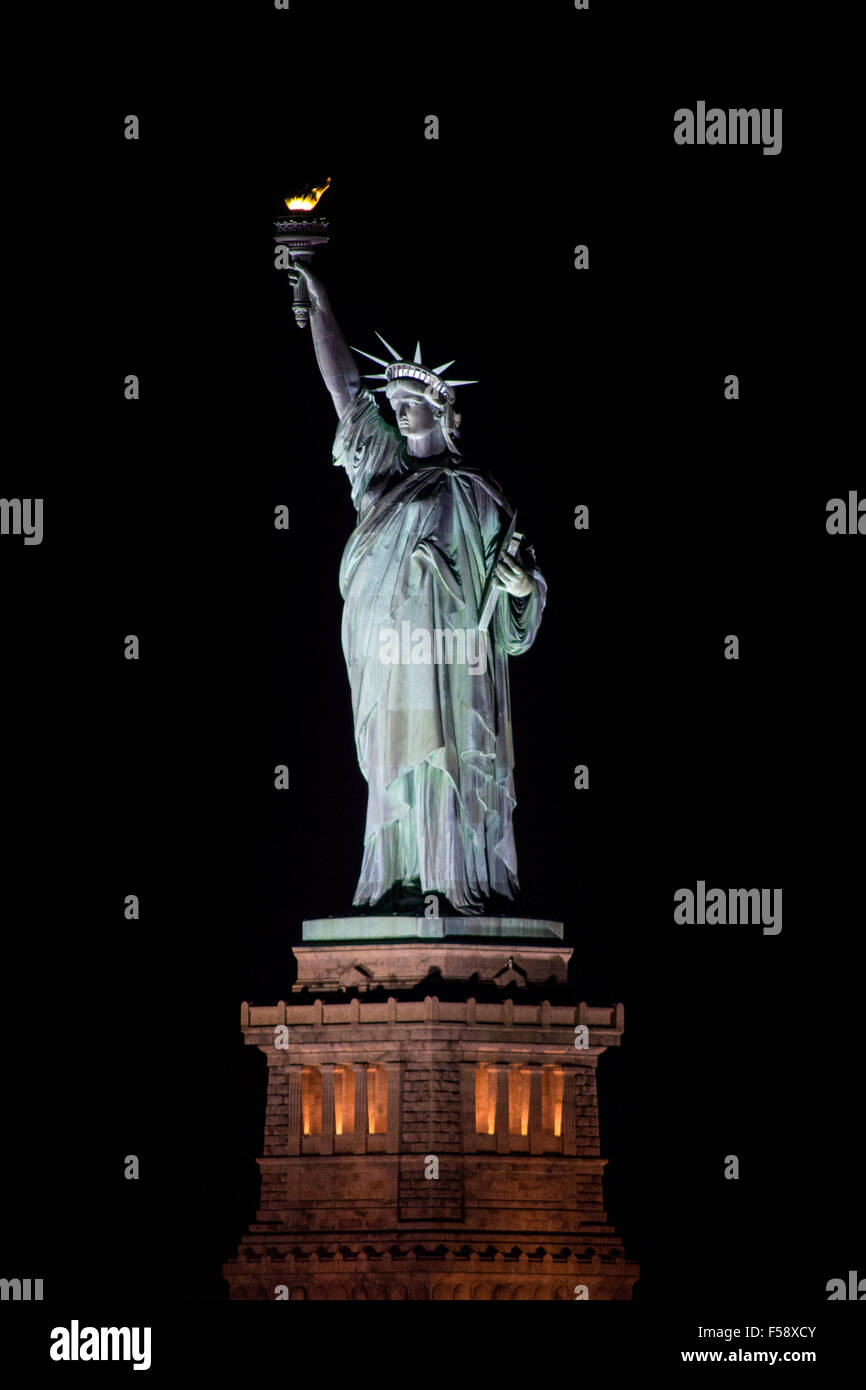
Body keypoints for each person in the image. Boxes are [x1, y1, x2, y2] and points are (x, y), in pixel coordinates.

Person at [289, 259, 546, 915]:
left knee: (446, 759)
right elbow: (346, 393)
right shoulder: (379, 468)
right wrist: (321, 309)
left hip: (456, 658)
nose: (398, 413)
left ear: (442, 411)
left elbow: (519, 598)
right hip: (391, 653)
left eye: (411, 404)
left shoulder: (478, 493)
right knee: (400, 760)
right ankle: (400, 879)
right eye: (394, 405)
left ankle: (451, 882)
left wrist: (520, 588)